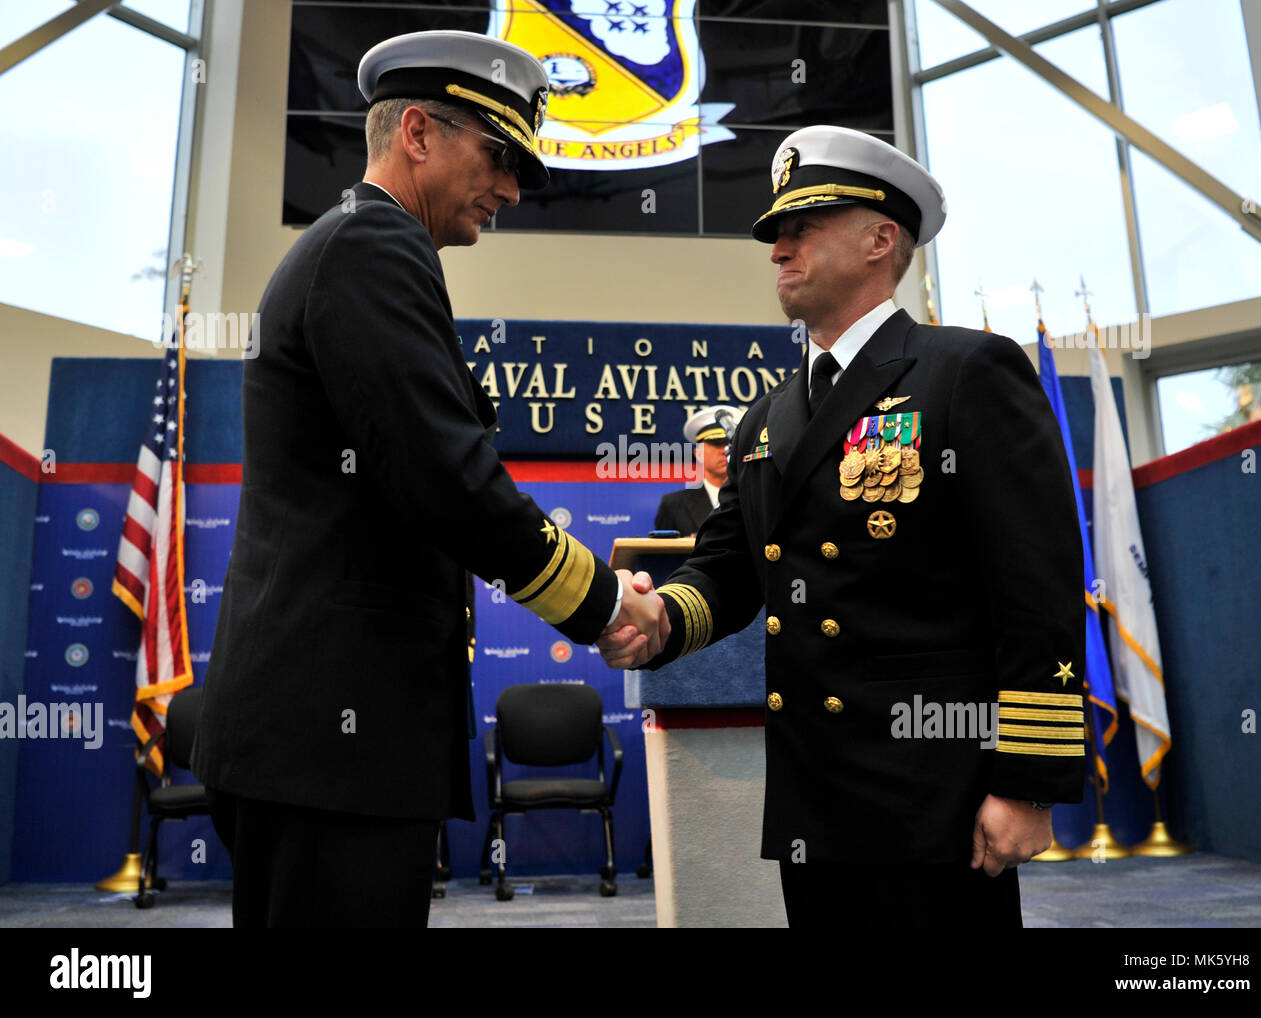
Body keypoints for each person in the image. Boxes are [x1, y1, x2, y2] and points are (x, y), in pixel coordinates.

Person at [191, 30, 667, 928]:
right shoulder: (374, 247)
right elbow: (449, 478)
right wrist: (604, 605)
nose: (513, 190)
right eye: (497, 155)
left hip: (329, 746)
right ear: (417, 132)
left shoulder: (363, 246)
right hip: (332, 747)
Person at [599, 125, 1086, 928]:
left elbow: (1037, 588)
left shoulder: (967, 371)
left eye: (802, 229)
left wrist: (1025, 781)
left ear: (879, 240)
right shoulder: (767, 414)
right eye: (775, 235)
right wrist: (653, 621)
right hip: (812, 798)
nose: (777, 250)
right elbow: (728, 568)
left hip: (935, 796)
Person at [653, 405, 742, 535]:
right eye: (717, 444)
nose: (725, 450)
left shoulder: (750, 498)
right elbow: (662, 553)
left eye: (728, 444)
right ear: (698, 453)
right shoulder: (673, 505)